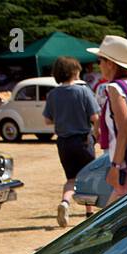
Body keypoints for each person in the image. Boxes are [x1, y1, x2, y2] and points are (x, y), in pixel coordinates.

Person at [87, 35, 127, 204]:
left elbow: (124, 131)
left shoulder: (115, 89)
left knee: (110, 223)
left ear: (111, 63)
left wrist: (114, 167)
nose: (98, 66)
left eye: (100, 60)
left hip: (126, 167)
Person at [43, 56, 99, 227]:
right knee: (88, 178)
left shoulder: (53, 94)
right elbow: (95, 117)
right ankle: (89, 214)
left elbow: (47, 120)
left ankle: (65, 203)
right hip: (83, 141)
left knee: (71, 179)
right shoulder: (83, 91)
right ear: (75, 72)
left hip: (64, 143)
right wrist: (96, 135)